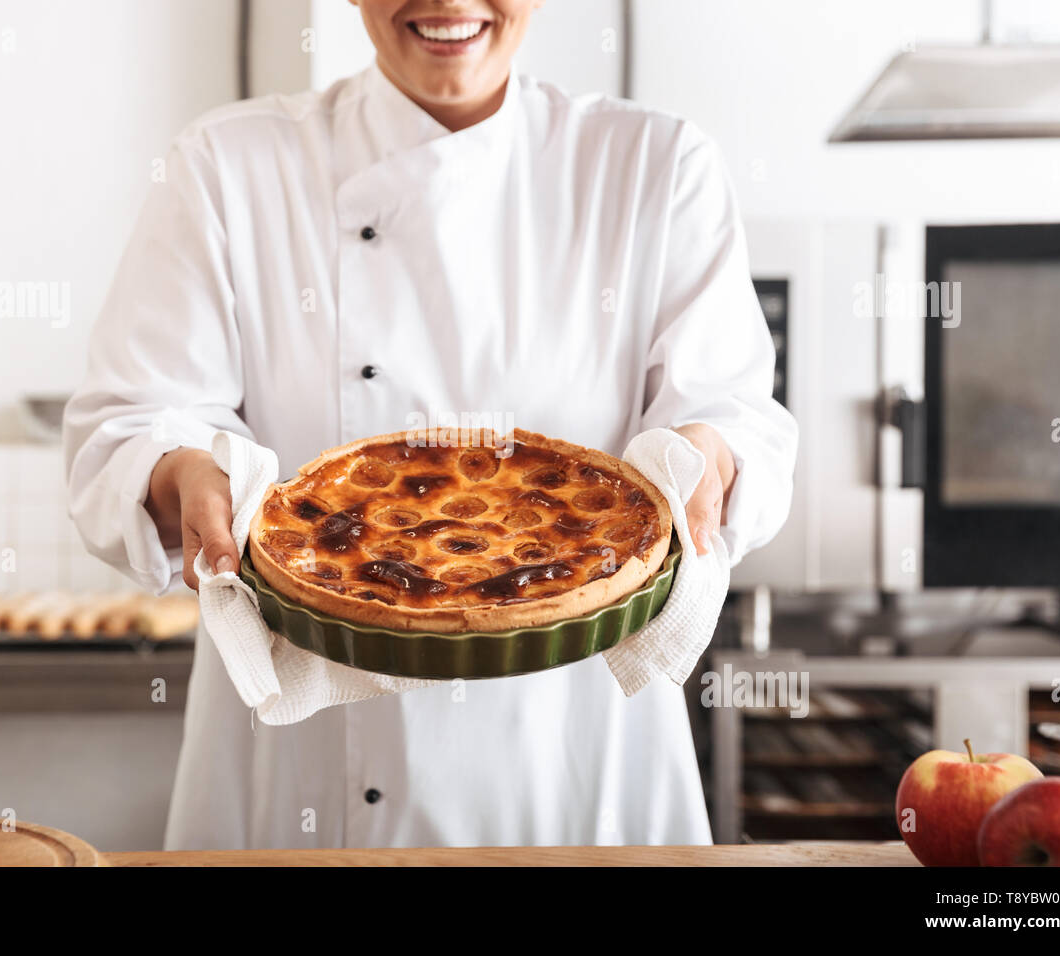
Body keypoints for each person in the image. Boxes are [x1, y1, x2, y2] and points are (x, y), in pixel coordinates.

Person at [64, 0, 797, 849]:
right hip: (308, 772)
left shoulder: (655, 165)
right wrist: (178, 473)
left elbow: (734, 417)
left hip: (576, 749)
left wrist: (709, 456)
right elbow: (126, 426)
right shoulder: (228, 164)